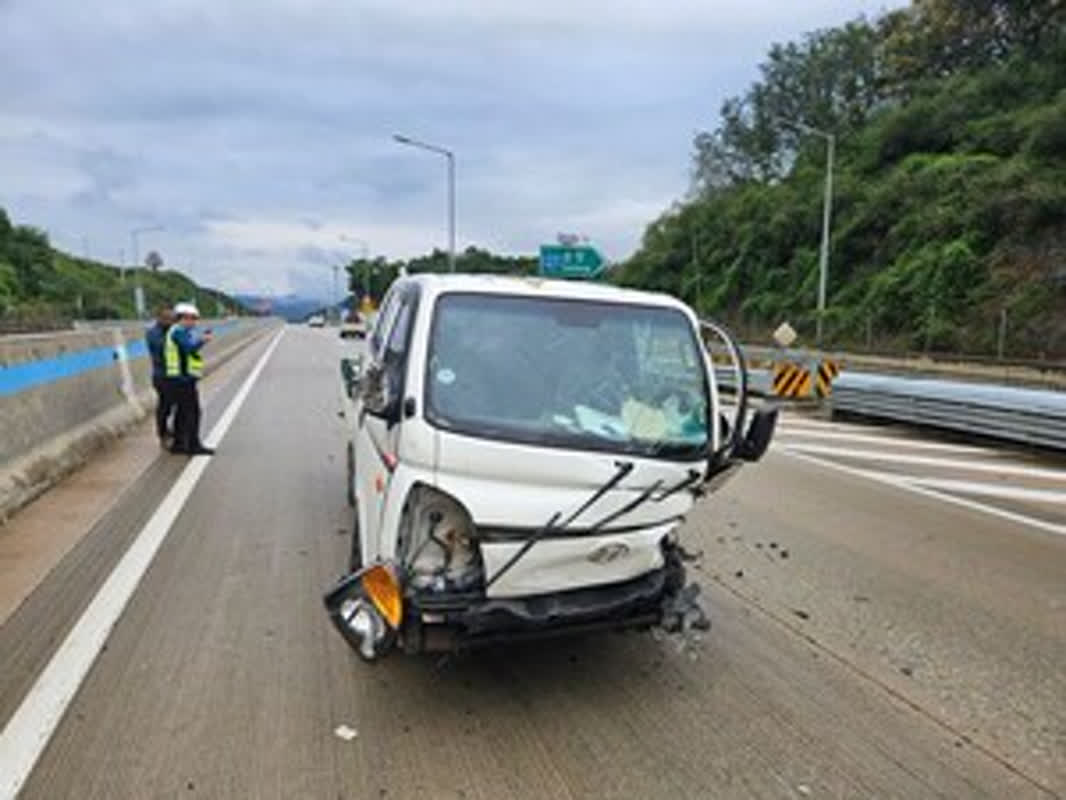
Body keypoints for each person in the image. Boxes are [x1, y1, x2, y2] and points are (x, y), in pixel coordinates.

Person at [164, 302, 215, 456]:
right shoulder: (178, 332)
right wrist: (203, 340)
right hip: (182, 379)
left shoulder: (180, 331)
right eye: (192, 318)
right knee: (193, 412)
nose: (194, 322)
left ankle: (178, 444)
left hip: (179, 379)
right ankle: (193, 445)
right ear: (183, 318)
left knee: (181, 412)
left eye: (195, 319)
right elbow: (189, 348)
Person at [145, 305, 176, 447]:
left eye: (172, 318)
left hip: (175, 375)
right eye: (166, 318)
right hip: (162, 376)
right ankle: (162, 433)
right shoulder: (153, 333)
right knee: (165, 405)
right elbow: (163, 349)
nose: (170, 321)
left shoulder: (173, 331)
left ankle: (174, 432)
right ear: (159, 318)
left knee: (177, 405)